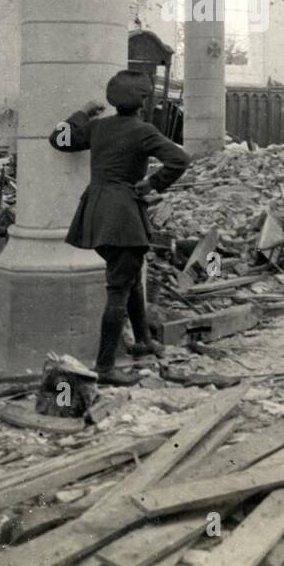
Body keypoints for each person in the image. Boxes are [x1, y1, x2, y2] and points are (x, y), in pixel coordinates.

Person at [49, 69, 190, 385]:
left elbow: (58, 138)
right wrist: (153, 183)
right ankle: (104, 368)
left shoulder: (98, 128)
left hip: (96, 211)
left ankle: (142, 341)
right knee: (119, 289)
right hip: (123, 215)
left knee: (129, 279)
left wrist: (82, 113)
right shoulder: (143, 130)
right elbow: (180, 159)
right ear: (143, 101)